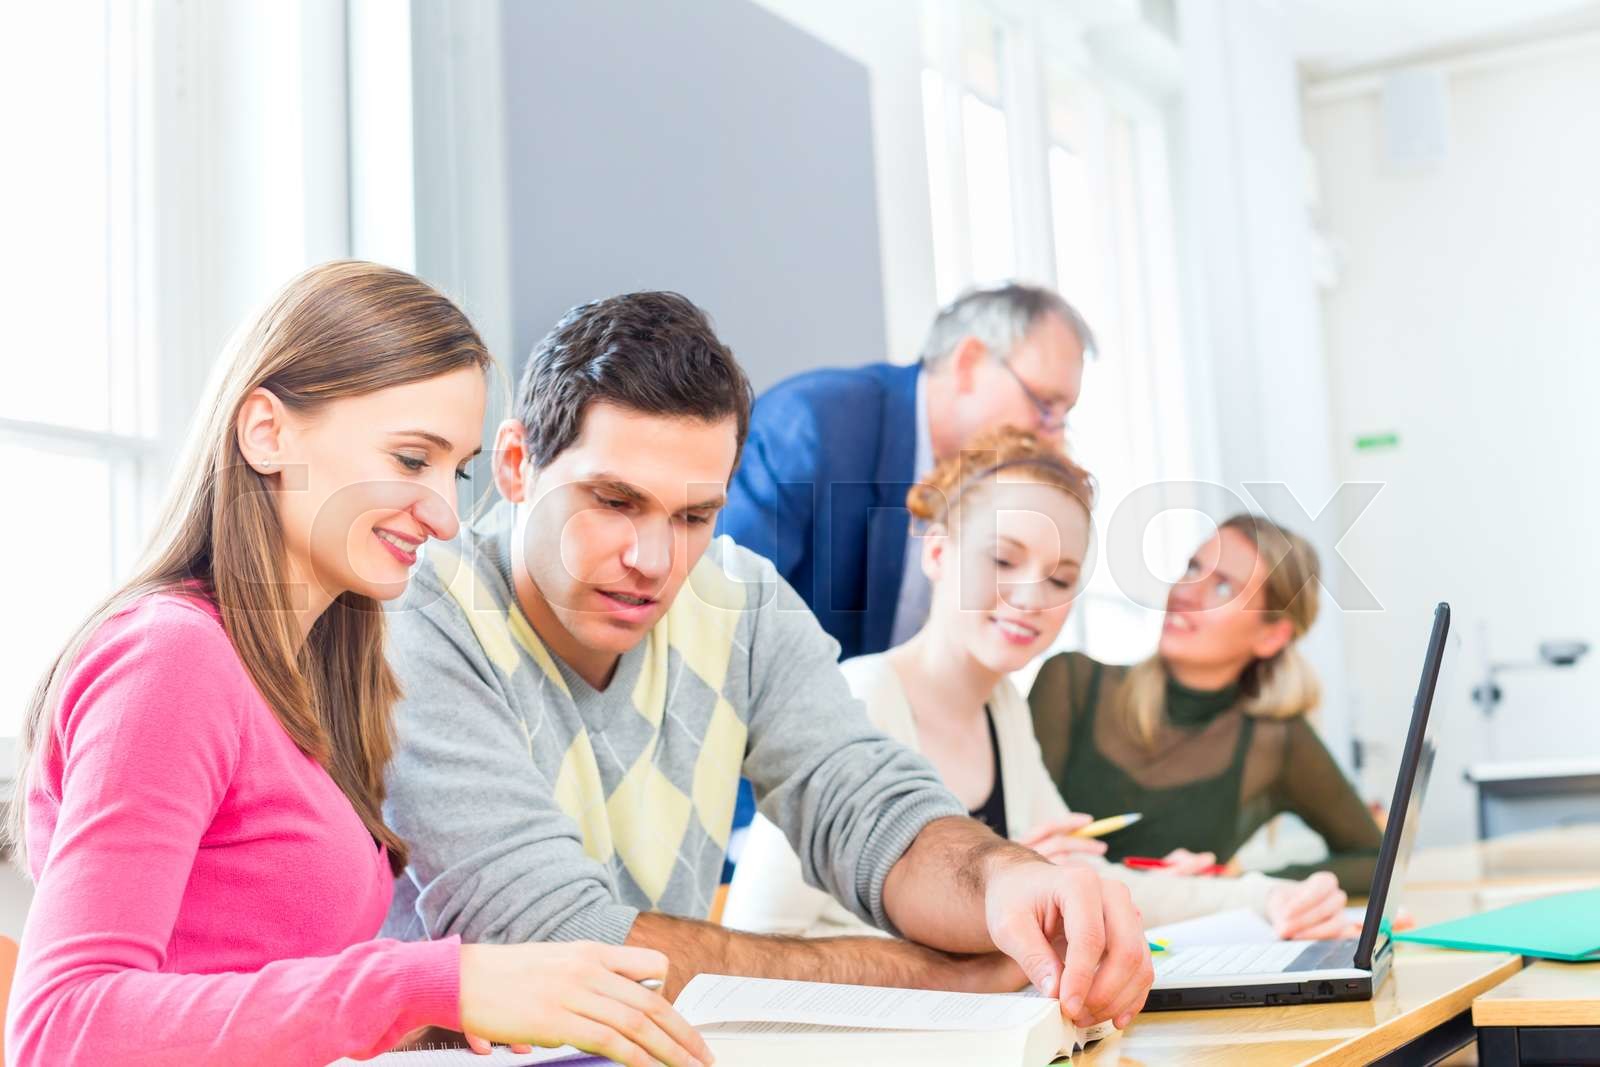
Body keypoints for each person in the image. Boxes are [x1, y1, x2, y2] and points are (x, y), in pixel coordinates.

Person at [380, 291, 1154, 1033]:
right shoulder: (421, 619)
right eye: (614, 501)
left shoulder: (739, 601)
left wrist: (1007, 882)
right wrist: (933, 976)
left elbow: (869, 807)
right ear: (516, 464)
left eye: (692, 515)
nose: (654, 559)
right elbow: (556, 945)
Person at [4, 262, 710, 1067]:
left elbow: (252, 985)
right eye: (413, 459)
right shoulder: (172, 657)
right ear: (266, 431)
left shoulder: (315, 678)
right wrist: (429, 981)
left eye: (459, 470)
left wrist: (452, 1017)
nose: (446, 514)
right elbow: (62, 1028)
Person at [723, 427, 1352, 942]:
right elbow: (755, 954)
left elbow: (1091, 881)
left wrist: (1268, 896)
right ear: (938, 554)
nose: (1030, 598)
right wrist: (991, 888)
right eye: (1001, 560)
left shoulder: (1000, 711)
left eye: (1059, 579)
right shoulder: (859, 701)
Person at [719, 283, 1093, 660]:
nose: (1054, 437)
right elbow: (722, 614)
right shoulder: (814, 426)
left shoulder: (990, 489)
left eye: (1065, 417)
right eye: (1045, 406)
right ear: (969, 363)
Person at [1029, 515, 1384, 894]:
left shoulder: (1275, 742)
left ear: (1270, 637)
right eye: (1193, 569)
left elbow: (1375, 862)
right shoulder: (1072, 683)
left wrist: (1235, 885)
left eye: (1222, 588)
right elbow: (1004, 840)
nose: (1186, 593)